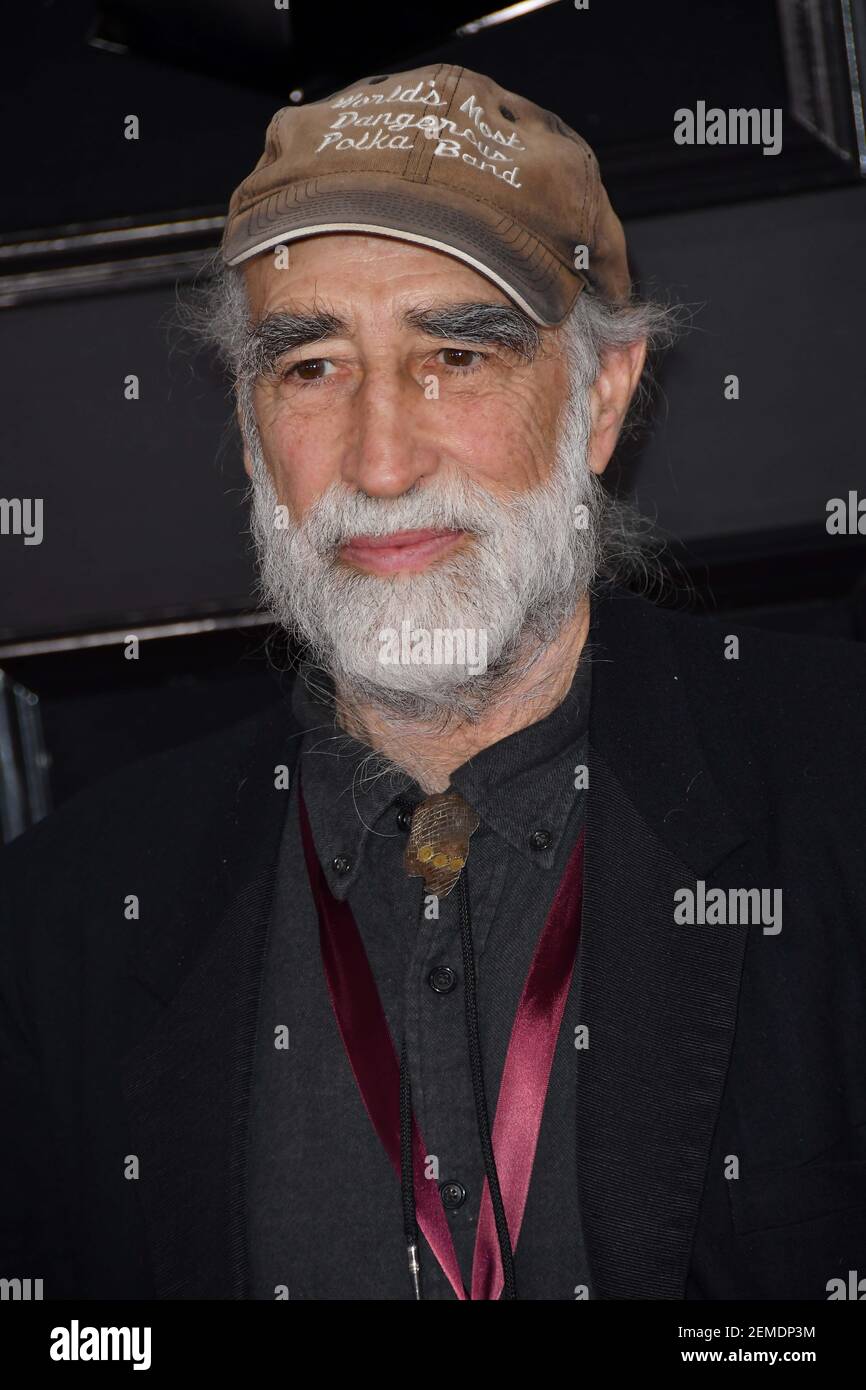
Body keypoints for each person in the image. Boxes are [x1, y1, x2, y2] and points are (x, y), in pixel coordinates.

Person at [2, 64, 865, 1302]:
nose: (382, 460)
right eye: (311, 367)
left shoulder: (841, 793)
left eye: (456, 355)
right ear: (251, 434)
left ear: (601, 399)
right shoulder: (61, 926)